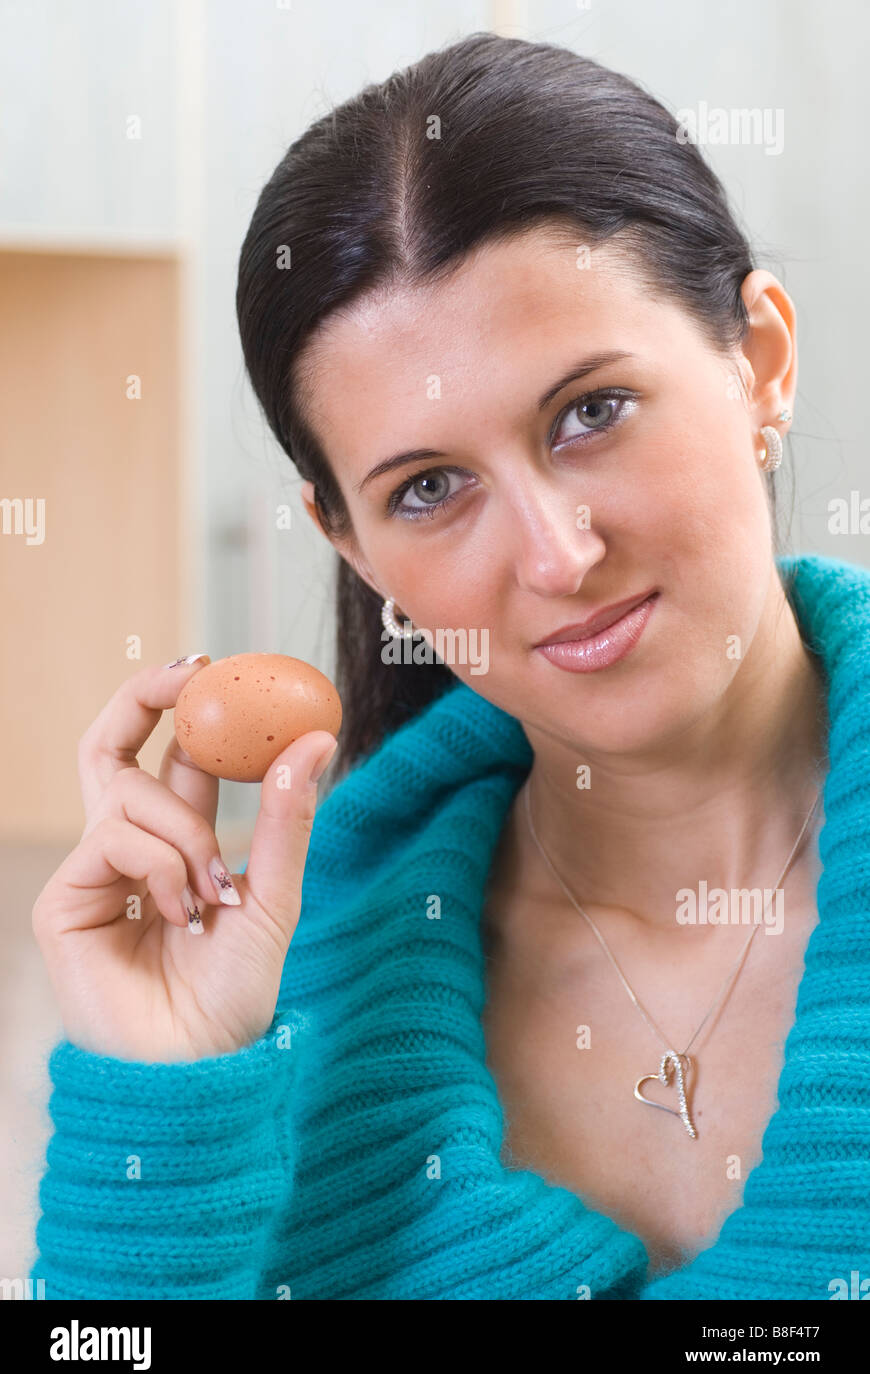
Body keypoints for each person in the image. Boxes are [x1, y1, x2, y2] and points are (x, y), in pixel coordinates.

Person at [30, 31, 869, 1300]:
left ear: (760, 362)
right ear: (351, 546)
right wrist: (167, 1101)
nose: (555, 555)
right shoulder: (288, 1006)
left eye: (591, 411)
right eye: (429, 488)